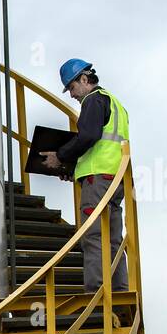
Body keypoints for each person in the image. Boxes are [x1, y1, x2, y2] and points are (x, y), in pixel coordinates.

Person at [38, 58, 129, 298]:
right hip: (115, 179)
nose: (71, 94)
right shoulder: (114, 103)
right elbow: (99, 143)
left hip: (97, 180)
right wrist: (73, 168)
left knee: (93, 236)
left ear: (84, 79)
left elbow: (88, 136)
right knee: (113, 240)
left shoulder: (92, 101)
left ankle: (97, 295)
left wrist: (60, 155)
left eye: (71, 87)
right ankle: (118, 292)